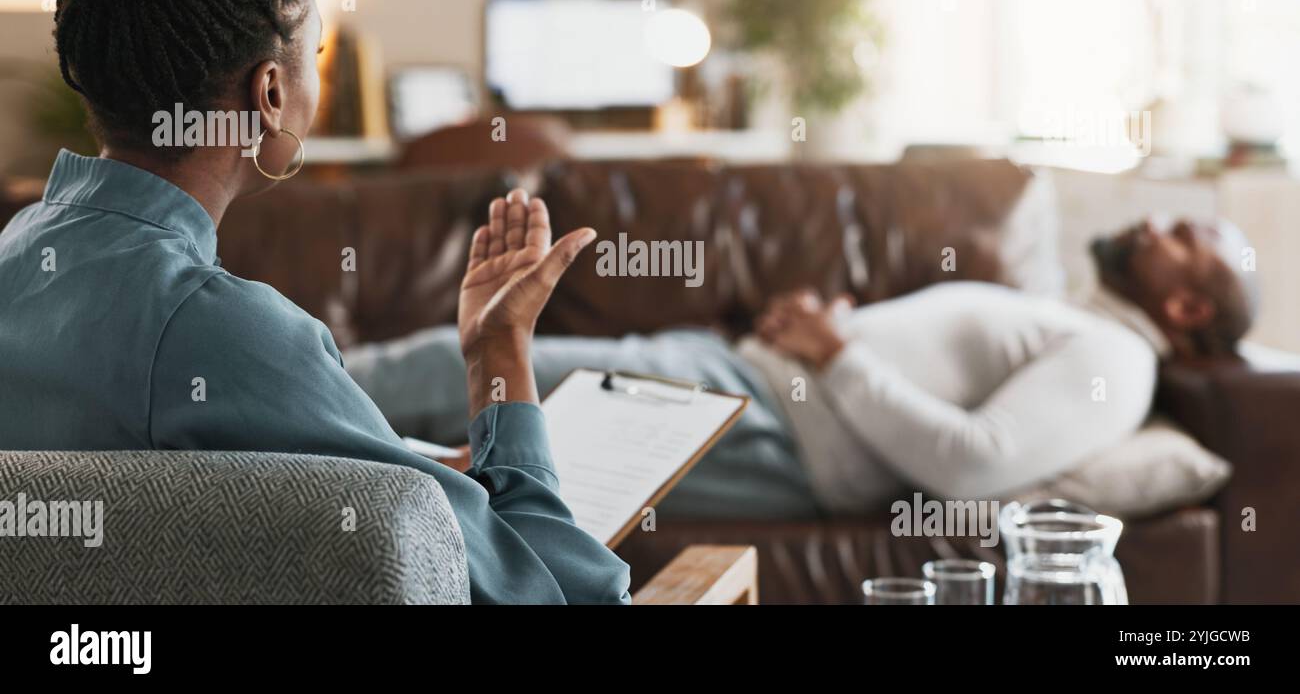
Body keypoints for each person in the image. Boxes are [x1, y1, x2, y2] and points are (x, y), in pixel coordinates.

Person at [0, 0, 629, 604]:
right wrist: (500, 353)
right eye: (316, 51)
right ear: (270, 95)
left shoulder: (20, 253)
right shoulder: (217, 331)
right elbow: (555, 592)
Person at [342, 216, 1258, 518]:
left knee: (444, 373)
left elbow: (973, 462)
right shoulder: (1076, 321)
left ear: (1187, 310)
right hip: (744, 377)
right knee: (444, 401)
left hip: (771, 426)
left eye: (1185, 240)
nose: (1155, 227)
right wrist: (832, 330)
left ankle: (245, 383)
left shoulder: (1121, 360)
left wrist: (837, 349)